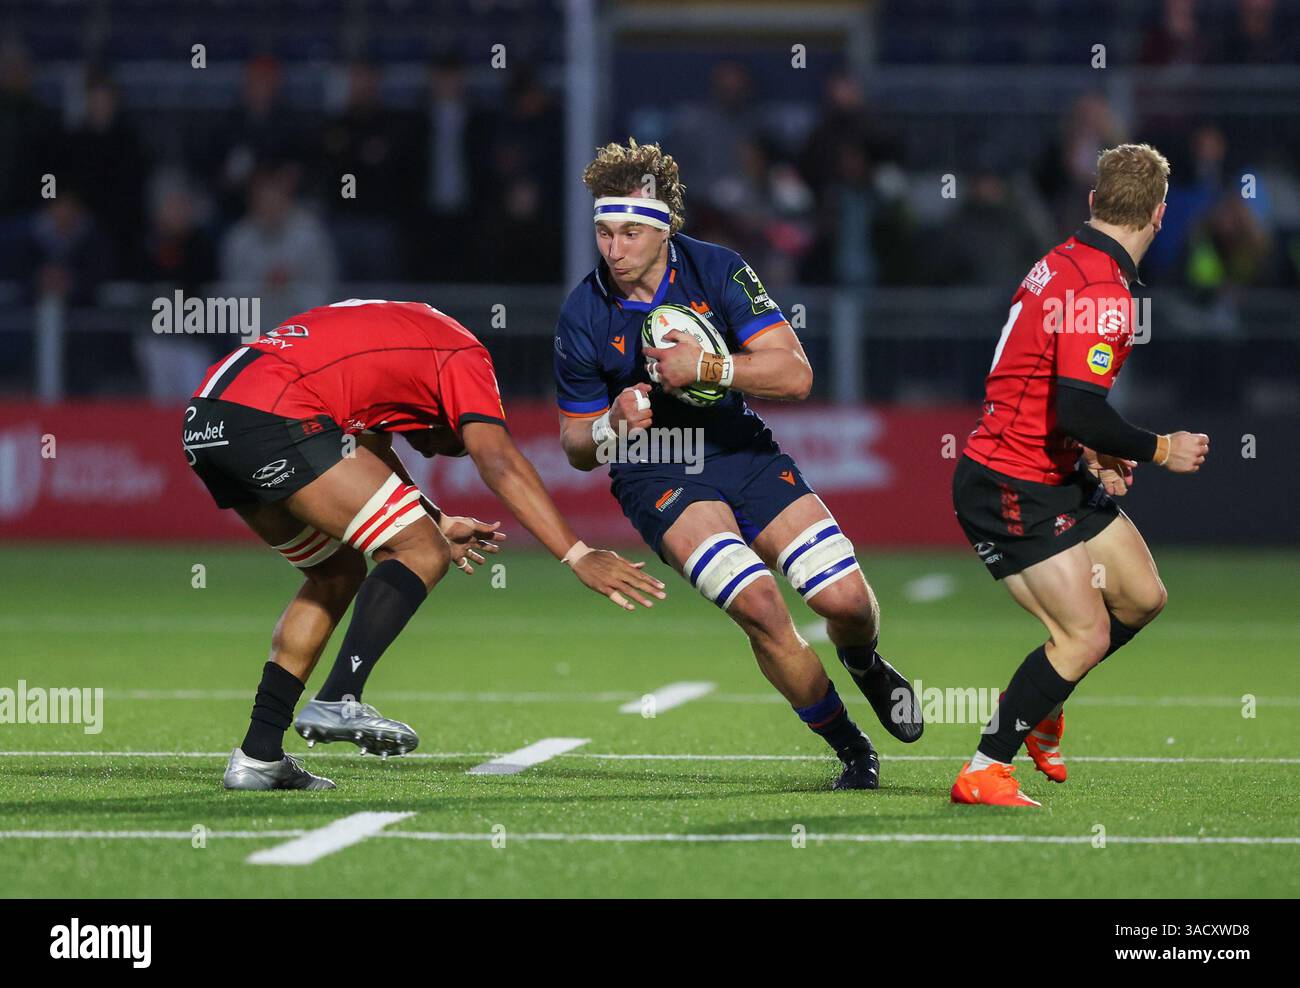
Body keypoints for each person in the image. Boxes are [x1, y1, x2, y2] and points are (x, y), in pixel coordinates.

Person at [553, 140, 922, 792]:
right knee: (757, 605)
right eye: (604, 232)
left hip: (742, 453)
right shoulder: (584, 313)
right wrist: (612, 424)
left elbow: (796, 374)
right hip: (656, 472)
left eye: (631, 232)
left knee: (844, 601)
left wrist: (710, 368)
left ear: (665, 227)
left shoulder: (720, 271)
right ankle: (851, 747)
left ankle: (863, 660)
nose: (614, 250)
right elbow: (576, 447)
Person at [183, 299, 664, 790]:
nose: (432, 449)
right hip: (272, 414)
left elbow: (362, 448)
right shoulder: (464, 355)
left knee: (335, 574)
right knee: (423, 552)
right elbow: (497, 461)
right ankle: (339, 697)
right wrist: (577, 553)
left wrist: (433, 516)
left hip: (208, 421)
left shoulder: (401, 341)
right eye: (449, 441)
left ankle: (258, 756)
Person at [950, 144, 1210, 806]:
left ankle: (1042, 700)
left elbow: (1046, 386)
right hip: (1011, 479)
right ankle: (985, 766)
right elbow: (1079, 406)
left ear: (1094, 202)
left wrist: (1091, 450)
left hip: (1051, 465)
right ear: (1159, 214)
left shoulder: (1062, 259)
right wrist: (1158, 448)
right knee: (1084, 634)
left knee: (1142, 597)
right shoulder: (1102, 290)